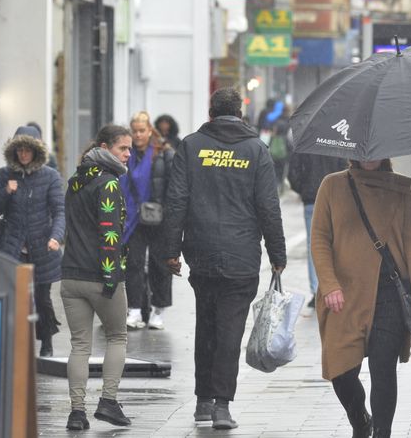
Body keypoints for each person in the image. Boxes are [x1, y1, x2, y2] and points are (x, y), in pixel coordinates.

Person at [163, 87, 286, 430]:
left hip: (201, 251)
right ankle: (221, 405)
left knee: (207, 324)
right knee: (230, 329)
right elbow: (268, 207)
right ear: (241, 111)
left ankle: (203, 399)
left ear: (211, 113)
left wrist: (171, 251)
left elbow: (176, 201)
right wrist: (277, 254)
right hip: (241, 253)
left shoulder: (190, 146)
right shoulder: (255, 150)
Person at [312, 158, 411, 438]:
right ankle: (360, 421)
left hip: (389, 295)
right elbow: (319, 238)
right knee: (341, 371)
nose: (369, 157)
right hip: (344, 296)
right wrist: (329, 285)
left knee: (383, 369)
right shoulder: (332, 186)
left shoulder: (402, 189)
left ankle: (382, 433)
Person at [60, 124, 133, 431]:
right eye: (123, 148)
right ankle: (109, 402)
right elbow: (110, 234)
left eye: (130, 148)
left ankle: (77, 412)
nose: (129, 154)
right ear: (105, 148)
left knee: (79, 346)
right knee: (117, 336)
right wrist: (110, 276)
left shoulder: (76, 181)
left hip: (70, 275)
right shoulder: (110, 184)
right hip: (100, 274)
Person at [0, 126, 65, 357]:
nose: (23, 155)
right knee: (15, 294)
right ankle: (15, 341)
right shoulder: (4, 174)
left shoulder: (50, 176)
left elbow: (59, 210)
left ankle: (46, 341)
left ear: (36, 151)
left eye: (27, 150)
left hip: (42, 245)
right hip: (13, 244)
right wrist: (6, 192)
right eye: (19, 149)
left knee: (42, 297)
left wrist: (56, 237)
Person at [121, 111, 175, 330]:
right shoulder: (126, 154)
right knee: (133, 263)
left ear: (150, 130)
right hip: (133, 217)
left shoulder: (164, 153)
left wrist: (171, 214)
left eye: (142, 131)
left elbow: (174, 185)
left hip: (159, 218)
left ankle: (158, 309)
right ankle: (134, 309)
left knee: (159, 265)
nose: (137, 135)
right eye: (134, 131)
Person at [287, 152, 347, 308]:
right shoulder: (338, 139)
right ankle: (334, 286)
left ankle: (317, 290)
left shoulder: (305, 141)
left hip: (311, 198)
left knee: (314, 245)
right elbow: (346, 168)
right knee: (338, 243)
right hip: (336, 199)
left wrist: (304, 189)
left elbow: (293, 173)